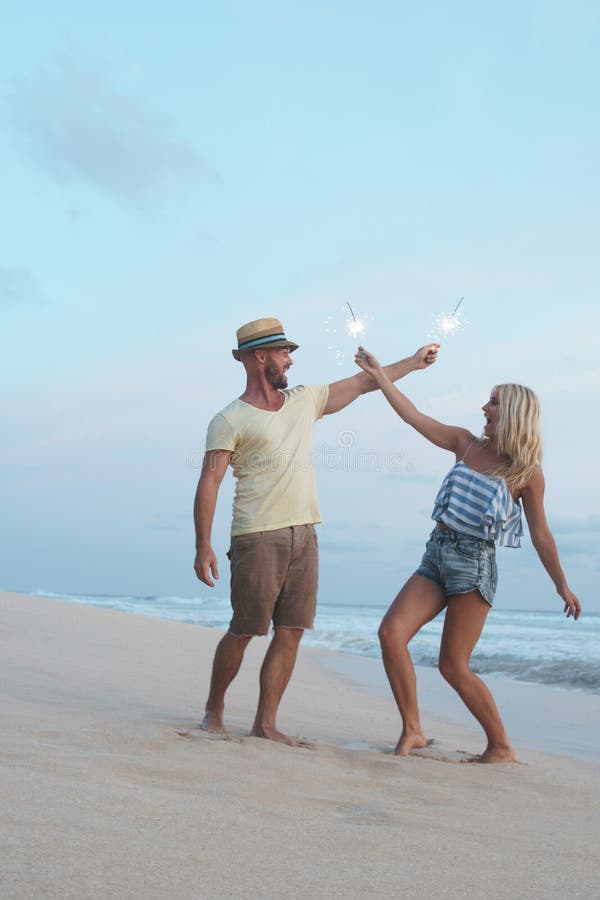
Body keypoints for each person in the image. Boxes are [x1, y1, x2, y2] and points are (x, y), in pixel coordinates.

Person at [193, 317, 438, 745]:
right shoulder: (228, 419)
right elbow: (209, 481)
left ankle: (265, 723)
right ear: (259, 356)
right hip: (257, 535)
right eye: (284, 351)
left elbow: (364, 384)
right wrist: (203, 545)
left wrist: (413, 363)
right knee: (245, 629)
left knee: (291, 631)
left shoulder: (304, 400)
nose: (290, 359)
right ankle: (214, 709)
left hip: (304, 534)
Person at [354, 345, 581, 763]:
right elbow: (412, 416)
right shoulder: (464, 443)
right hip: (436, 553)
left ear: (511, 412)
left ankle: (500, 746)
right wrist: (380, 374)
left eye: (493, 402)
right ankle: (413, 730)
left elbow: (541, 534)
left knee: (453, 666)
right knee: (391, 635)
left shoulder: (527, 474)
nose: (484, 407)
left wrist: (561, 585)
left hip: (474, 565)